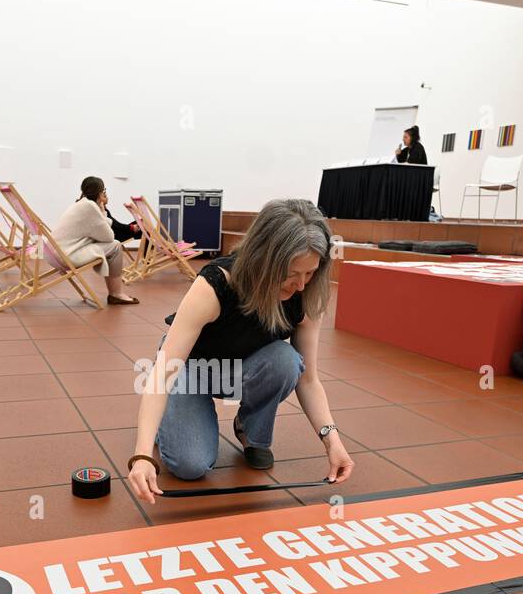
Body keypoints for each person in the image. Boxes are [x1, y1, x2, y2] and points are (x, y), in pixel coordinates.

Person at [127, 199, 354, 504]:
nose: (300, 285)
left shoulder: (307, 296)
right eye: (291, 273)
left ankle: (251, 432)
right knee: (190, 465)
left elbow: (309, 379)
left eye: (310, 273)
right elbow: (163, 373)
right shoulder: (216, 283)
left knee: (287, 362)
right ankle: (164, 419)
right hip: (190, 369)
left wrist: (332, 441)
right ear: (264, 259)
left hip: (241, 369)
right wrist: (142, 455)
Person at [52, 176, 139, 305]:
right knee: (115, 245)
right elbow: (109, 237)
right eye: (104, 191)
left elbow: (102, 229)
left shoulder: (82, 203)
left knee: (112, 245)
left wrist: (102, 212)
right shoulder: (90, 207)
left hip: (55, 253)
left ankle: (115, 293)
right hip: (67, 256)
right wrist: (103, 211)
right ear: (100, 192)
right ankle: (116, 294)